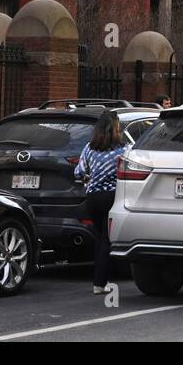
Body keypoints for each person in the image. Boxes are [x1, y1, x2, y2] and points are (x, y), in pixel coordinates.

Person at [74, 111, 129, 294]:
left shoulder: (88, 148)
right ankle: (100, 283)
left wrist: (89, 179)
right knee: (107, 239)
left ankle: (98, 279)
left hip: (92, 198)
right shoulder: (123, 149)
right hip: (111, 197)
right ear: (115, 129)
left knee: (99, 238)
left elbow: (79, 172)